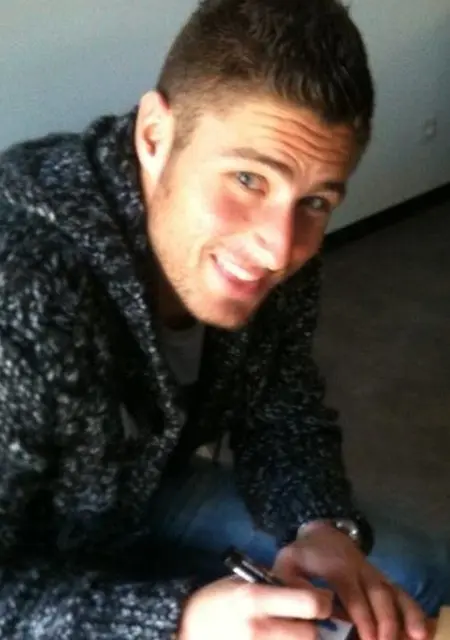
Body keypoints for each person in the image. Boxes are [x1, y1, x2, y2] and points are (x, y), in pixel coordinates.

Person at [0, 0, 448, 638]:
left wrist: (318, 525)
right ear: (155, 136)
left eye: (316, 201)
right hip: (32, 552)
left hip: (146, 486)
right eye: (247, 178)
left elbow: (280, 401)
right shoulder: (21, 287)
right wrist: (174, 621)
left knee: (413, 576)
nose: (278, 249)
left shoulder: (280, 241)